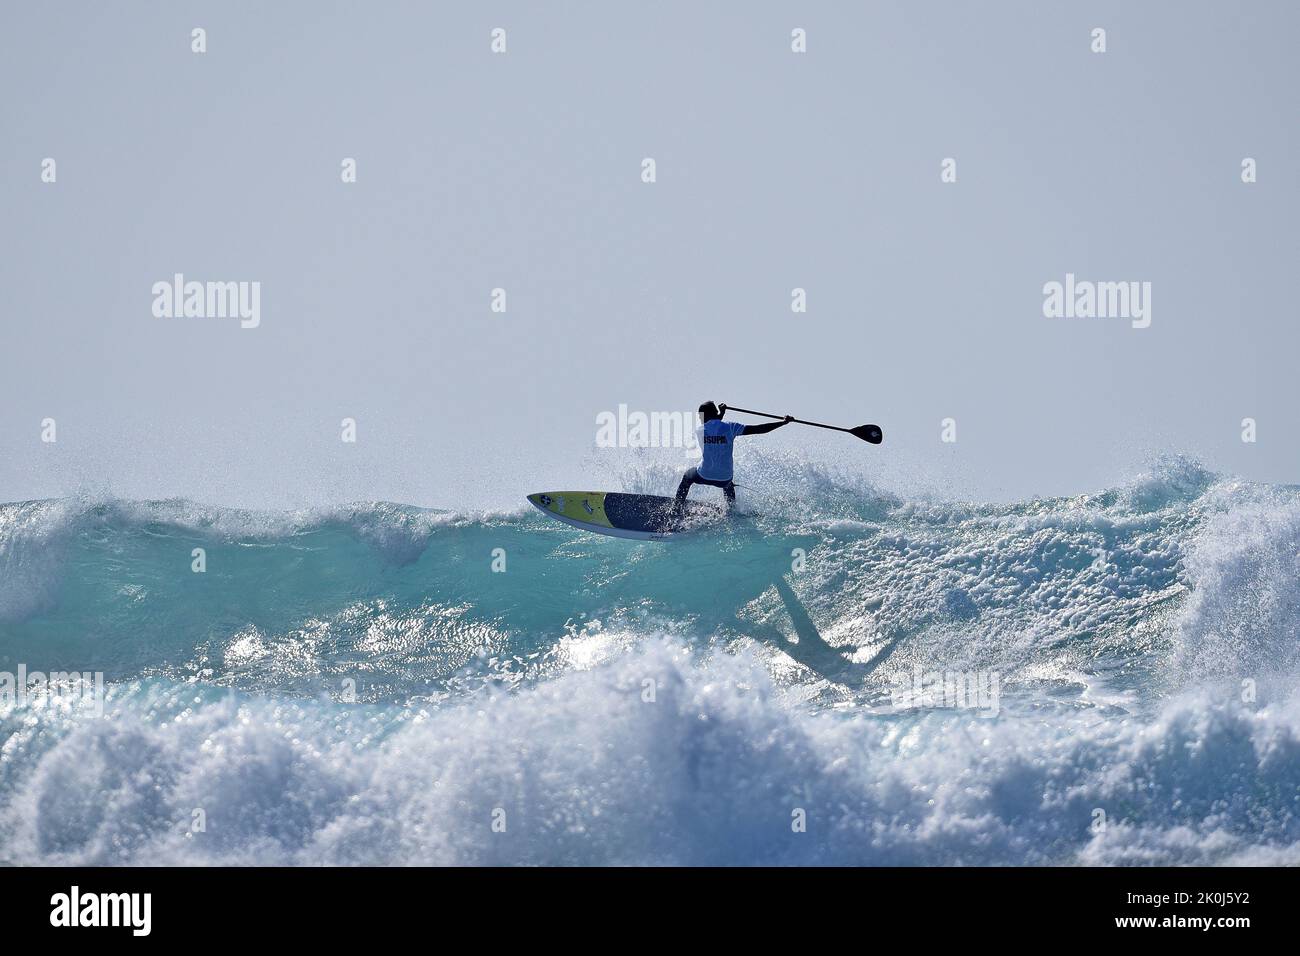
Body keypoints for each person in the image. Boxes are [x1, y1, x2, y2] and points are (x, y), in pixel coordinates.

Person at [675, 401, 791, 511]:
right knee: (728, 483)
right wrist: (782, 422)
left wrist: (721, 413)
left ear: (705, 415)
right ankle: (731, 509)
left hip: (704, 474)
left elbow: (714, 424)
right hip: (724, 478)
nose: (700, 419)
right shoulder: (731, 427)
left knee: (687, 476)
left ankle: (677, 508)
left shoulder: (699, 430)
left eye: (701, 416)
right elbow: (759, 429)